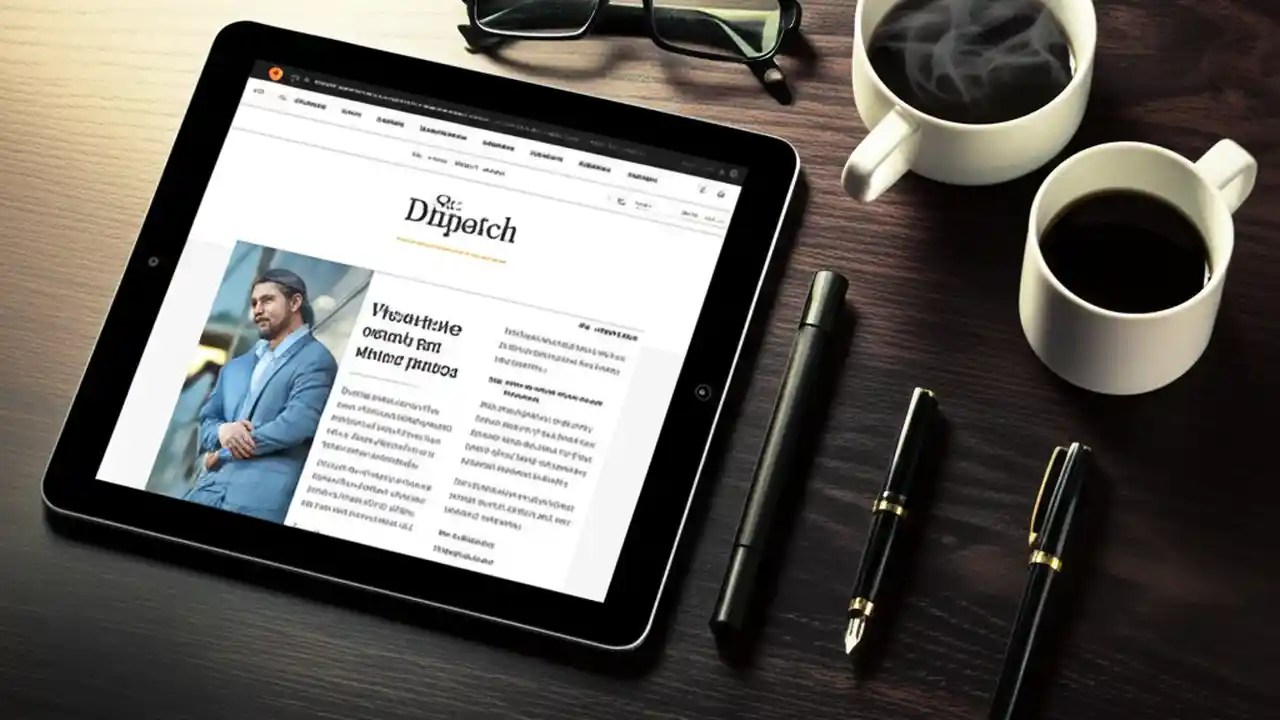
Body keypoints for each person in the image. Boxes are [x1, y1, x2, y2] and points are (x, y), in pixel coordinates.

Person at [183, 268, 337, 522]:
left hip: (258, 501)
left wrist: (221, 453)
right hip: (205, 492)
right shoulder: (236, 367)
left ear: (295, 302)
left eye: (267, 300)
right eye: (254, 303)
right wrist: (223, 431)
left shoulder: (316, 360)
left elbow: (296, 425)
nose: (257, 309)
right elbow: (208, 420)